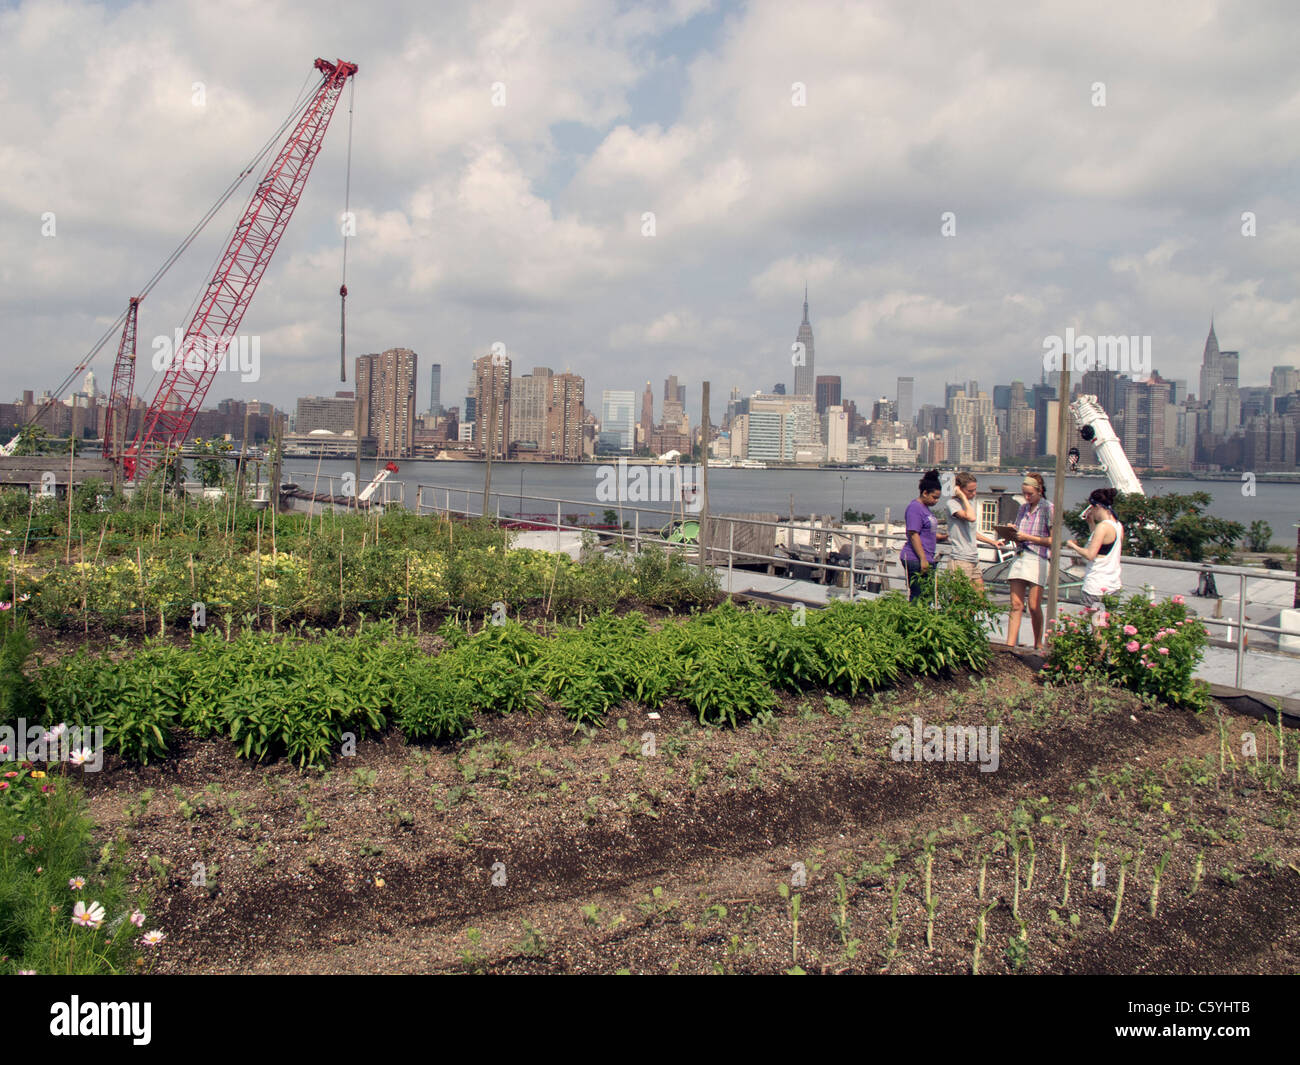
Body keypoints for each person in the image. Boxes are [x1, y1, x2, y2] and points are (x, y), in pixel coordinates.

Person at [1006, 472, 1053, 650]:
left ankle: (1038, 642)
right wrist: (1012, 533)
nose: (1026, 497)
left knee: (1034, 605)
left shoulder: (1048, 508)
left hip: (1038, 557)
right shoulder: (1023, 508)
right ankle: (1010, 644)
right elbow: (1019, 534)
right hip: (1021, 555)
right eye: (1024, 493)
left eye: (1030, 494)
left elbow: (1052, 540)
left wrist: (1028, 537)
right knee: (1016, 603)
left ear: (1039, 491)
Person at [1066, 487, 1124, 608]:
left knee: (1096, 623)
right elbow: (1102, 545)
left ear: (1096, 506)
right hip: (1113, 585)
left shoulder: (1102, 527)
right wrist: (1091, 524)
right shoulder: (1118, 525)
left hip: (1096, 585)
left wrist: (1073, 546)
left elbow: (1090, 554)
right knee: (1108, 623)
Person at [946, 471, 1003, 591]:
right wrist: (961, 496)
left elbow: (972, 531)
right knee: (960, 599)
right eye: (970, 491)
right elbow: (971, 518)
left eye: (975, 490)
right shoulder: (953, 504)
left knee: (979, 598)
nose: (974, 494)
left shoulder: (969, 504)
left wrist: (992, 542)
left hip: (973, 558)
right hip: (960, 558)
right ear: (959, 489)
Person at [900, 469, 948, 601]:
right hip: (915, 558)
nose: (936, 501)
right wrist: (922, 558)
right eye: (934, 497)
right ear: (925, 493)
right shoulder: (915, 508)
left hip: (927, 557)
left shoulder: (925, 509)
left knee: (927, 594)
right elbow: (913, 534)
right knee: (919, 595)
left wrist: (941, 537)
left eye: (938, 498)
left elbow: (926, 532)